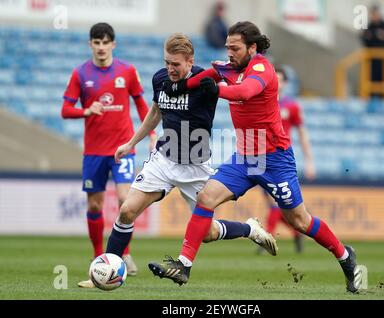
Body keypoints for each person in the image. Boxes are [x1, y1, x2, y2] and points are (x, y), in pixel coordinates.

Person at [155, 21, 362, 293]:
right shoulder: (227, 68)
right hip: (245, 154)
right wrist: (180, 86)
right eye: (227, 47)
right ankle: (183, 266)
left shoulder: (262, 68)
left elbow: (245, 92)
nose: (229, 52)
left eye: (235, 48)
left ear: (252, 48)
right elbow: (198, 80)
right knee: (206, 198)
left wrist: (216, 89)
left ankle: (345, 256)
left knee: (299, 220)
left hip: (274, 157)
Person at [104, 33, 278, 283]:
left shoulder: (204, 82)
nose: (170, 69)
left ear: (190, 61)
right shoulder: (160, 78)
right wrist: (131, 142)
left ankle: (250, 229)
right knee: (126, 211)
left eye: (175, 64)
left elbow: (237, 78)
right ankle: (109, 270)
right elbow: (156, 111)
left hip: (196, 166)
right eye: (167, 62)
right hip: (163, 160)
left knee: (207, 233)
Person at [61, 22, 156, 287]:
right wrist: (86, 111)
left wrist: (150, 133)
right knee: (95, 206)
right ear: (90, 44)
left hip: (122, 148)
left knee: (127, 201)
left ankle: (123, 253)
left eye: (105, 42)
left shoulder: (127, 71)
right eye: (96, 42)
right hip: (93, 151)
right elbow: (65, 110)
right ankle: (97, 257)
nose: (101, 47)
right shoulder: (80, 74)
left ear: (113, 44)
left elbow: (140, 102)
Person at [259, 66, 316, 254]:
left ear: (284, 83)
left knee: (278, 204)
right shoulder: (261, 101)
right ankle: (296, 233)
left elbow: (302, 133)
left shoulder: (291, 106)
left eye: (280, 79)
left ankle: (267, 238)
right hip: (260, 157)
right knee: (276, 205)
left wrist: (309, 161)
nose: (277, 82)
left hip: (281, 160)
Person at [360, 4, 384, 98]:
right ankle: (371, 100)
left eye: (376, 13)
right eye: (373, 14)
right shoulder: (369, 26)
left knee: (383, 81)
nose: (375, 16)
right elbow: (365, 40)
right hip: (371, 60)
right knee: (370, 81)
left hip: (383, 60)